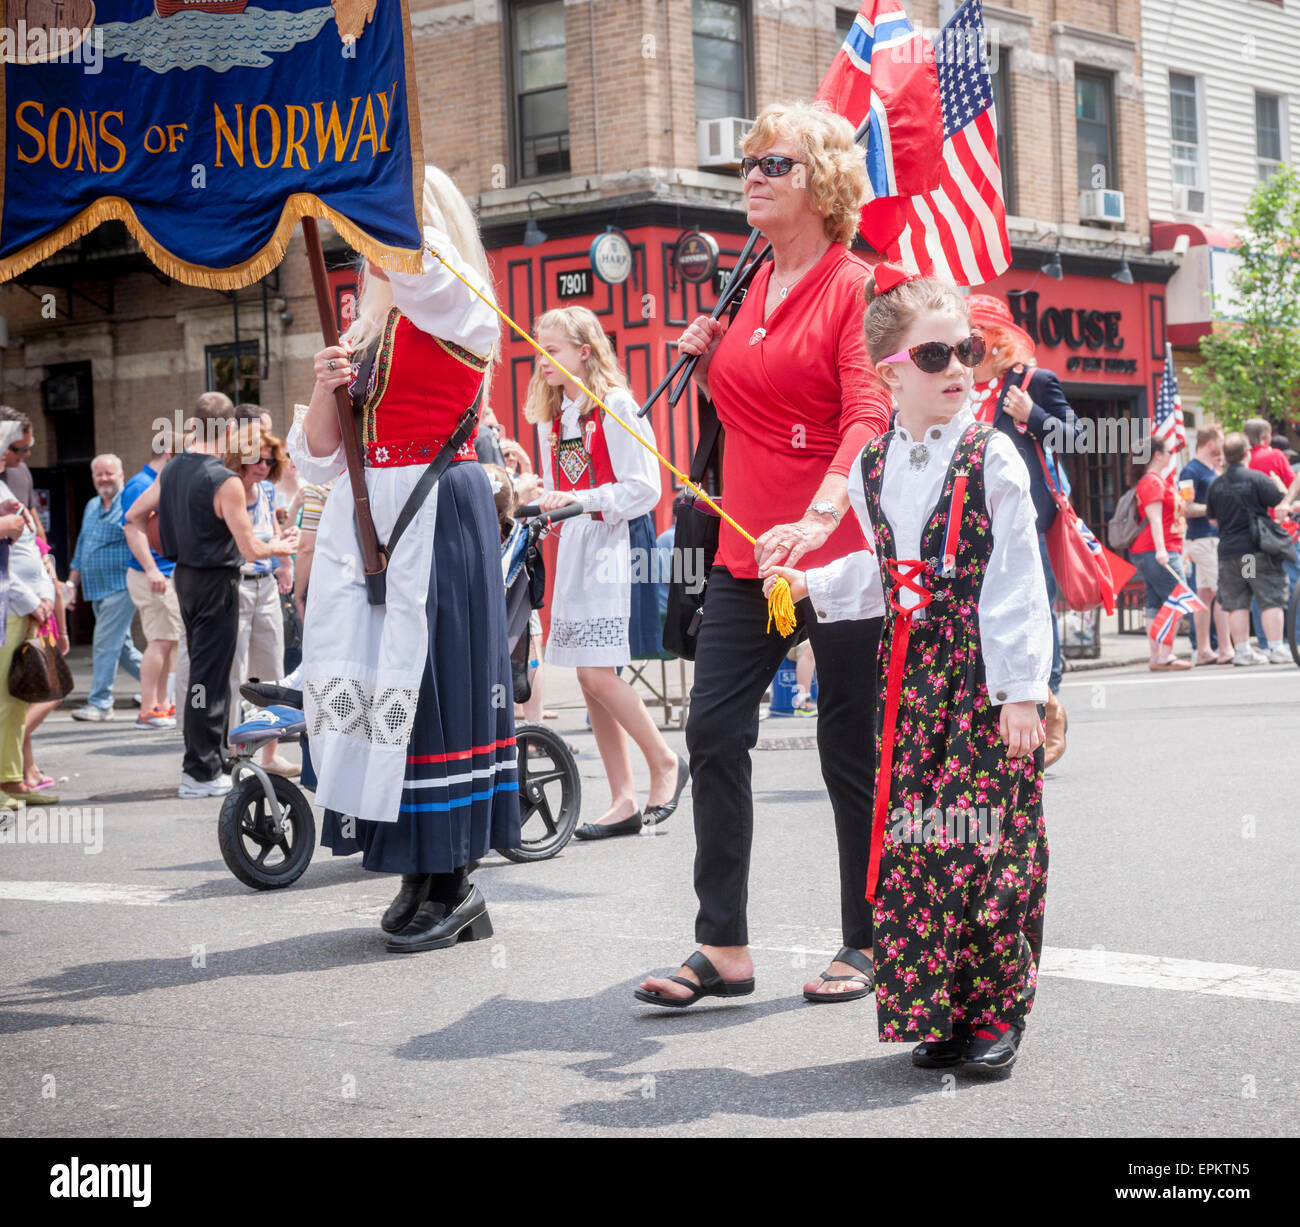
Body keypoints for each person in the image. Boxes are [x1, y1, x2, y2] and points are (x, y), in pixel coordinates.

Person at [635, 101, 891, 1009]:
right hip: (748, 556)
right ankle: (724, 946)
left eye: (772, 163)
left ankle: (867, 939)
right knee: (711, 729)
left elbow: (867, 413)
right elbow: (751, 412)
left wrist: (820, 518)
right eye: (747, 162)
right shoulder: (745, 285)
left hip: (835, 559)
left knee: (846, 749)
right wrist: (705, 360)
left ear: (819, 185)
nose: (750, 175)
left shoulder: (855, 287)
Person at [763, 267, 1051, 1071]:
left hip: (980, 675)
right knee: (921, 842)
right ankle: (945, 1009)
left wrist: (1020, 692)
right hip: (910, 674)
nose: (959, 367)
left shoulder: (995, 459)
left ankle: (996, 1014)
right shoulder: (872, 466)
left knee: (989, 837)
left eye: (967, 349)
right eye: (936, 356)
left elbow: (1017, 583)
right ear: (889, 370)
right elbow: (883, 574)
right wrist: (809, 581)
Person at [287, 165, 520, 953]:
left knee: (438, 689)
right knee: (382, 685)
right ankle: (417, 871)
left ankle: (454, 875)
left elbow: (421, 275)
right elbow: (318, 457)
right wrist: (327, 387)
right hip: (369, 520)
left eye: (384, 216)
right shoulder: (367, 325)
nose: (368, 235)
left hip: (434, 505)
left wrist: (380, 188)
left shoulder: (457, 299)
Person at [525, 305, 685, 840]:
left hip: (615, 544)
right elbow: (559, 490)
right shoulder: (553, 417)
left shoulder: (615, 404)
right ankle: (623, 799)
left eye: (555, 350)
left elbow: (645, 489)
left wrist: (580, 499)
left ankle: (665, 761)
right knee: (592, 683)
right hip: (575, 545)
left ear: (585, 351)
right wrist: (542, 505)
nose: (544, 359)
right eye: (540, 349)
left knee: (597, 673)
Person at [124, 394, 295, 798]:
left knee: (206, 676)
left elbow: (132, 518)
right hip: (216, 582)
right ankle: (200, 772)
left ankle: (208, 762)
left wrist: (157, 557)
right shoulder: (225, 480)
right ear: (229, 429)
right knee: (211, 680)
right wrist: (280, 548)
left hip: (185, 578)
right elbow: (252, 548)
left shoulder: (173, 468)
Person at [968, 295, 1083, 767]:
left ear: (997, 343)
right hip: (969, 525)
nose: (965, 350)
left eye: (974, 341)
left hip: (1023, 521)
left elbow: (1078, 438)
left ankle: (1046, 705)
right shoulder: (952, 384)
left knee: (1031, 608)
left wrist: (1033, 415)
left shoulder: (1035, 381)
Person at [226, 431, 296, 776]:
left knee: (272, 672)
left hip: (265, 584)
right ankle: (233, 753)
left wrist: (285, 565)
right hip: (237, 585)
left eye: (270, 460)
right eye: (257, 458)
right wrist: (281, 552)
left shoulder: (268, 491)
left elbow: (274, 536)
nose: (264, 466)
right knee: (235, 671)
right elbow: (247, 546)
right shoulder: (230, 488)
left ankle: (270, 757)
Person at [0, 435, 57, 810]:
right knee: (8, 699)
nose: (21, 457)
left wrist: (44, 596)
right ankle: (8, 781)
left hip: (20, 606)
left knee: (17, 698)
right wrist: (32, 600)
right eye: (15, 448)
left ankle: (16, 776)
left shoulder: (7, 483)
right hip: (13, 605)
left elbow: (28, 546)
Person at [1206, 432, 1294, 665]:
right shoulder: (1257, 479)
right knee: (1269, 597)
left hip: (1228, 551)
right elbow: (1281, 502)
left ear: (1225, 456)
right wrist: (1278, 483)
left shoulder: (1216, 484)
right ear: (1247, 453)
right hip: (1251, 552)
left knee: (1237, 602)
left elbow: (1212, 521)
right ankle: (1276, 647)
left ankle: (1243, 651)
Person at [67, 454, 142, 721]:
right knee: (121, 649)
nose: (104, 479)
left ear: (121, 474)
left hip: (121, 586)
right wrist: (71, 584)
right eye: (99, 474)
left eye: (109, 473)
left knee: (103, 644)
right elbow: (82, 547)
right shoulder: (90, 506)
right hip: (95, 589)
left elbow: (142, 541)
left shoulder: (130, 503)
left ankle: (100, 703)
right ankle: (162, 688)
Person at [122, 437, 181, 729]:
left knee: (170, 641)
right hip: (153, 575)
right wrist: (151, 570)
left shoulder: (160, 481)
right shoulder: (140, 483)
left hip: (166, 573)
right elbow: (132, 528)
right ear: (171, 453)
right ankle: (148, 708)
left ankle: (163, 704)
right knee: (159, 641)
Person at [1128, 436, 1192, 671]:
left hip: (1154, 550)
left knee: (1155, 603)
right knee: (1179, 600)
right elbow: (1154, 519)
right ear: (1157, 455)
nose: (1171, 454)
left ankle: (1157, 655)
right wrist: (1162, 550)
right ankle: (1165, 654)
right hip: (1157, 550)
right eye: (1168, 451)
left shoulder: (1155, 481)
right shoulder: (1152, 482)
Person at [1180, 425, 1233, 666]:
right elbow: (1186, 508)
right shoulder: (1190, 470)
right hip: (1203, 538)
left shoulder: (1211, 469)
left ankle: (1203, 649)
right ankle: (1226, 648)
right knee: (1221, 591)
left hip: (1210, 537)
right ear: (1210, 442)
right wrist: (1215, 510)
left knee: (1205, 595)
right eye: (1221, 439)